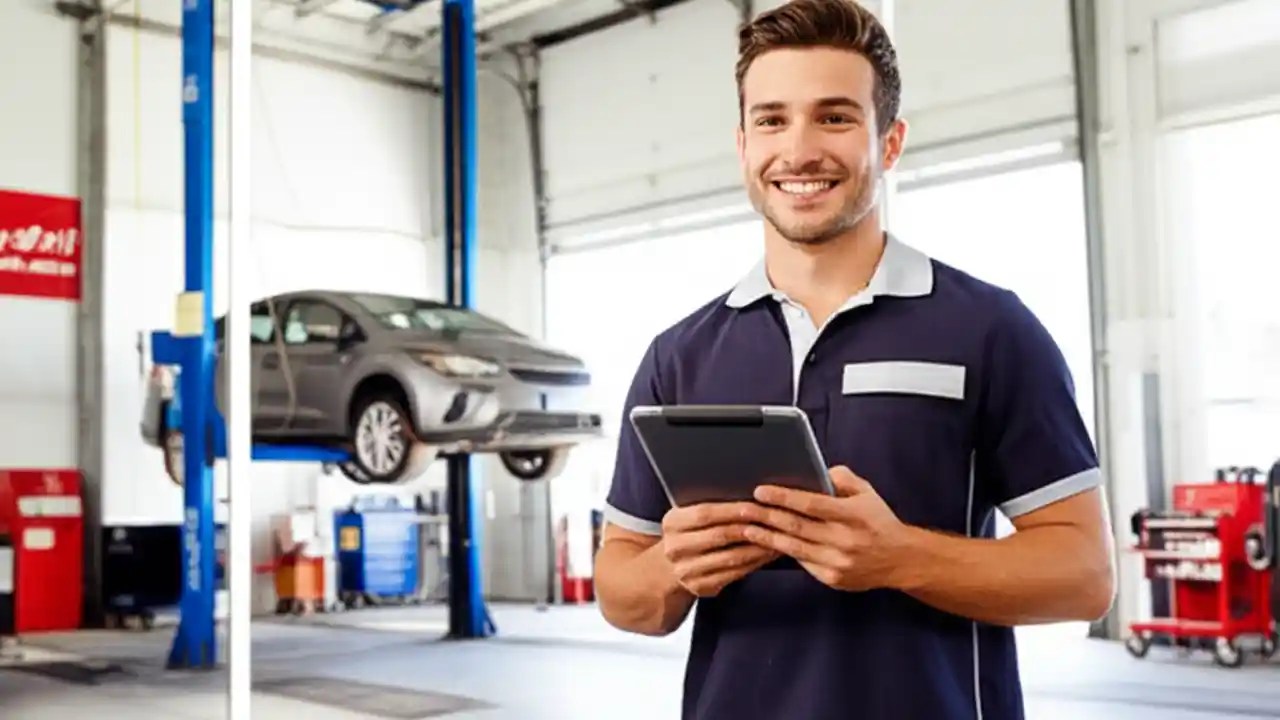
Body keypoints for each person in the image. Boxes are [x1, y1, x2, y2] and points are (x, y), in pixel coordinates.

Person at [592, 0, 1117, 718]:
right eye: (772, 120)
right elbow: (625, 598)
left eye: (834, 117)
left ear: (890, 142)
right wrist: (673, 570)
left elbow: (1084, 576)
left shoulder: (990, 329)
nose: (799, 150)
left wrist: (900, 557)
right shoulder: (679, 356)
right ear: (743, 143)